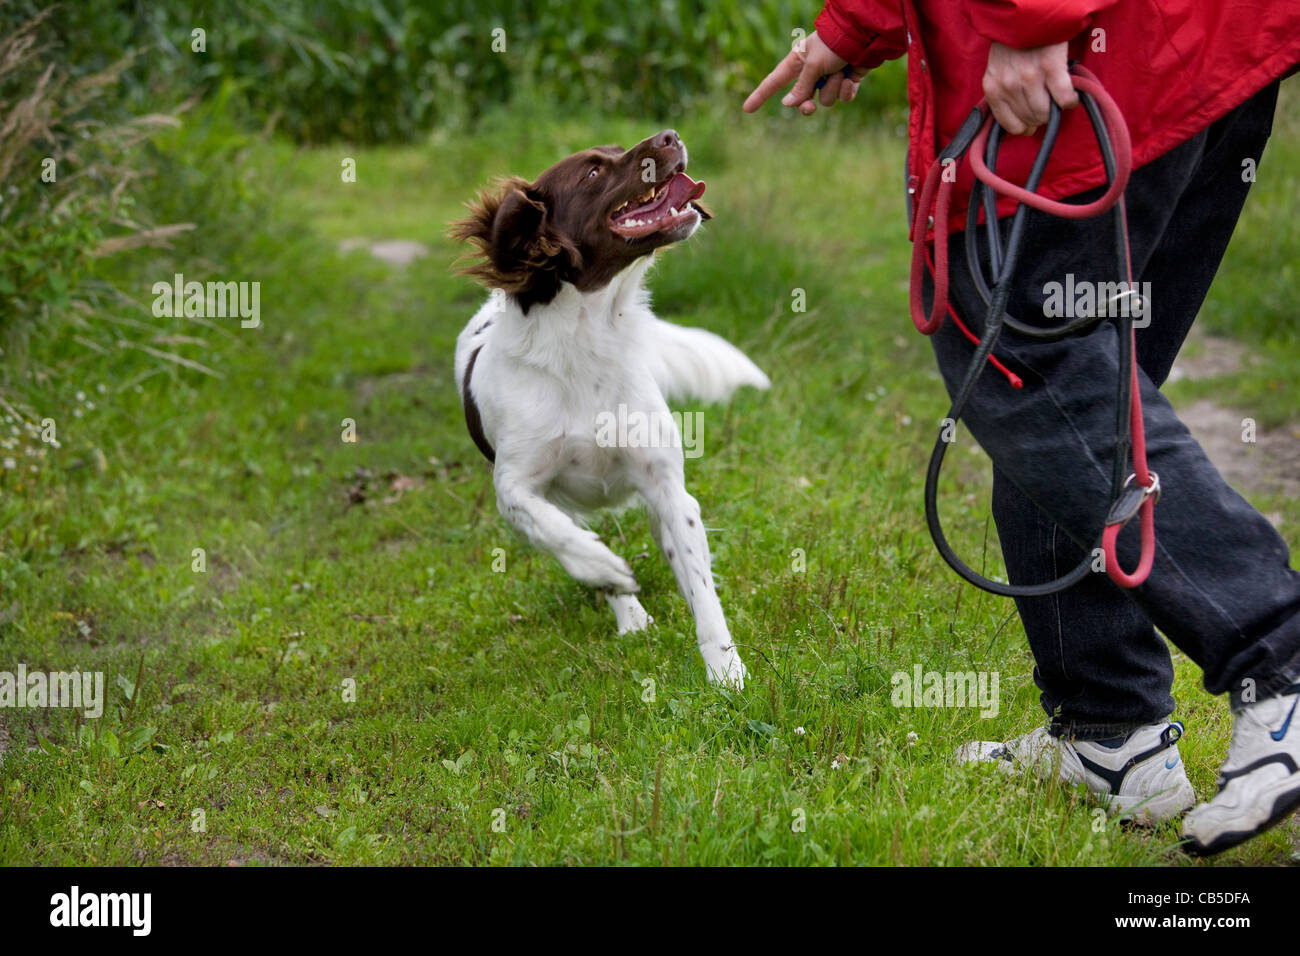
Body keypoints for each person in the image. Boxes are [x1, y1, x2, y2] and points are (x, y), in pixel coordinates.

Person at [744, 0, 1300, 855]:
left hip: (1089, 59)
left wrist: (1031, 19)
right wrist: (857, 23)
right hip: (1196, 46)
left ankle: (1281, 658)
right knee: (1083, 397)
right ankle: (1111, 734)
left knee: (1028, 362)